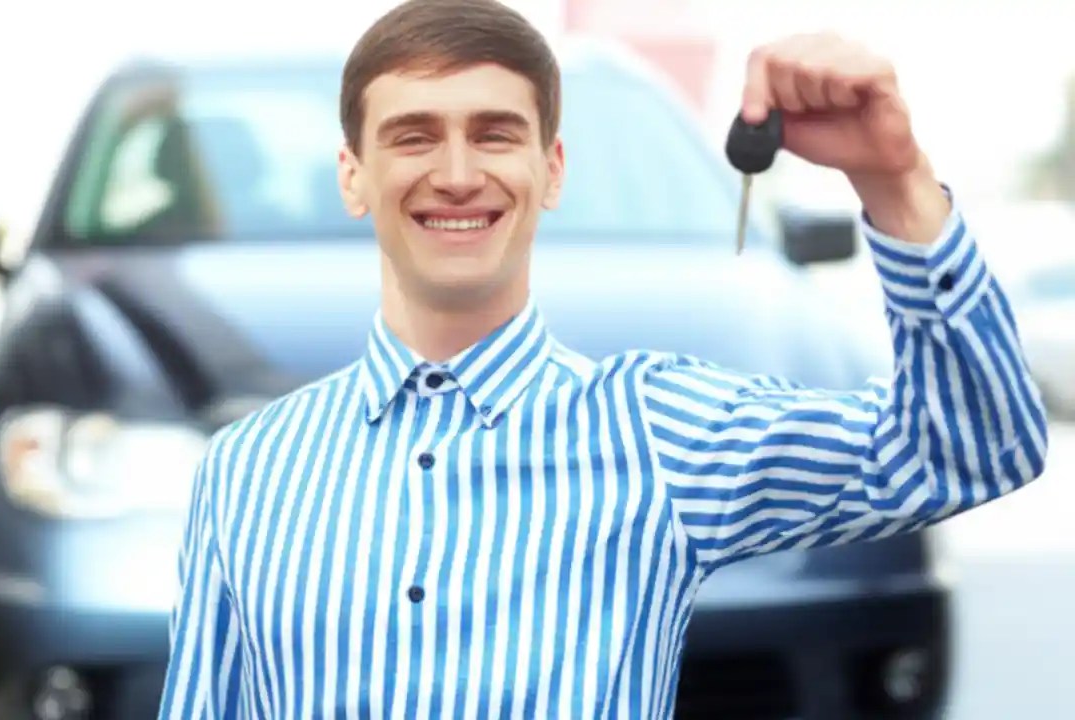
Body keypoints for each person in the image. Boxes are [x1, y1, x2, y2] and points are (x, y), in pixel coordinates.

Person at [157, 1, 1050, 718]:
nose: (459, 172)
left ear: (551, 169)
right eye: (415, 135)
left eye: (496, 134)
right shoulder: (245, 472)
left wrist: (893, 178)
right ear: (353, 175)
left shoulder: (659, 430)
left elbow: (974, 449)